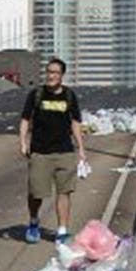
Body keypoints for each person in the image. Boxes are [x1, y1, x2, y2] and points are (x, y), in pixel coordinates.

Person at [19, 58, 86, 246]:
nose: (51, 75)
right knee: (36, 192)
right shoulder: (36, 95)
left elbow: (76, 122)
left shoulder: (69, 96)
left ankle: (62, 230)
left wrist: (81, 147)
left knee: (64, 192)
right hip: (40, 152)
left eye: (55, 72)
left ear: (62, 76)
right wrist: (23, 142)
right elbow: (25, 119)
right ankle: (33, 222)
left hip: (64, 151)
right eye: (49, 72)